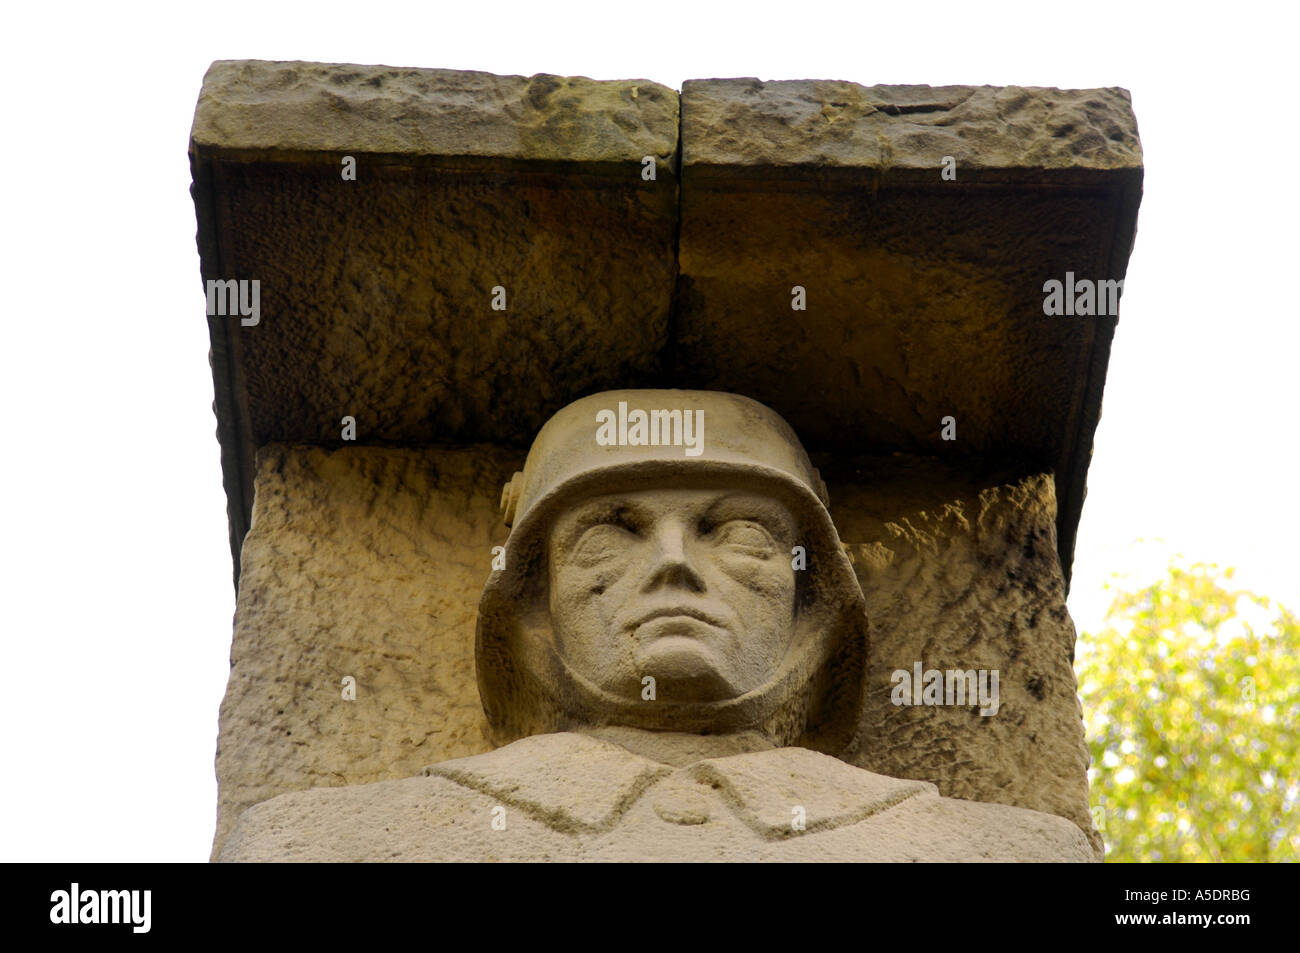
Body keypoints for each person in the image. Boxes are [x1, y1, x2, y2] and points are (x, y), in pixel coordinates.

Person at [218, 390, 1092, 861]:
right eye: (612, 528)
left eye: (739, 529)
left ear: (814, 596)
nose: (674, 563)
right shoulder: (329, 848)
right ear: (533, 593)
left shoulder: (1006, 856)